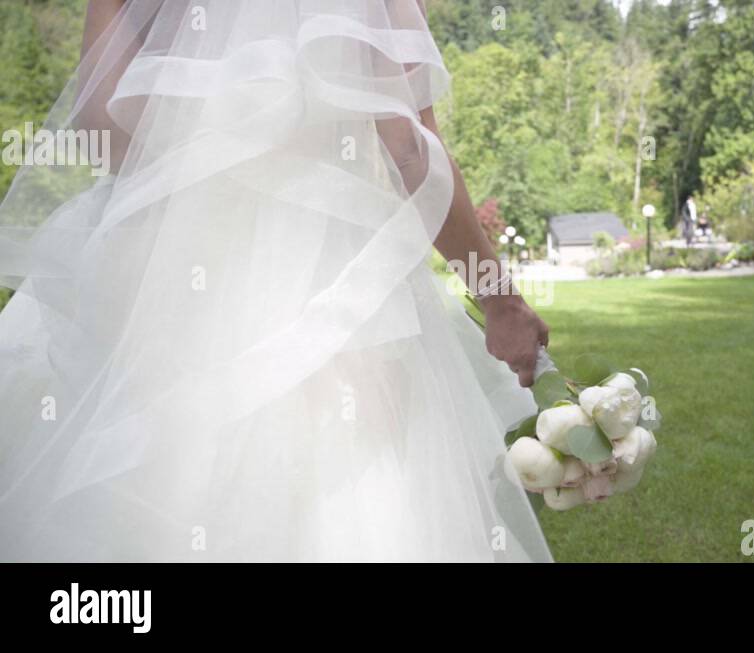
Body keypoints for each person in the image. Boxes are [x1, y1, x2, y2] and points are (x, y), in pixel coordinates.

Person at [0, 1, 551, 562]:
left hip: (160, 264)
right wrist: (500, 301)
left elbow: (103, 132)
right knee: (344, 495)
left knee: (156, 480)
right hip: (318, 268)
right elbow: (409, 149)